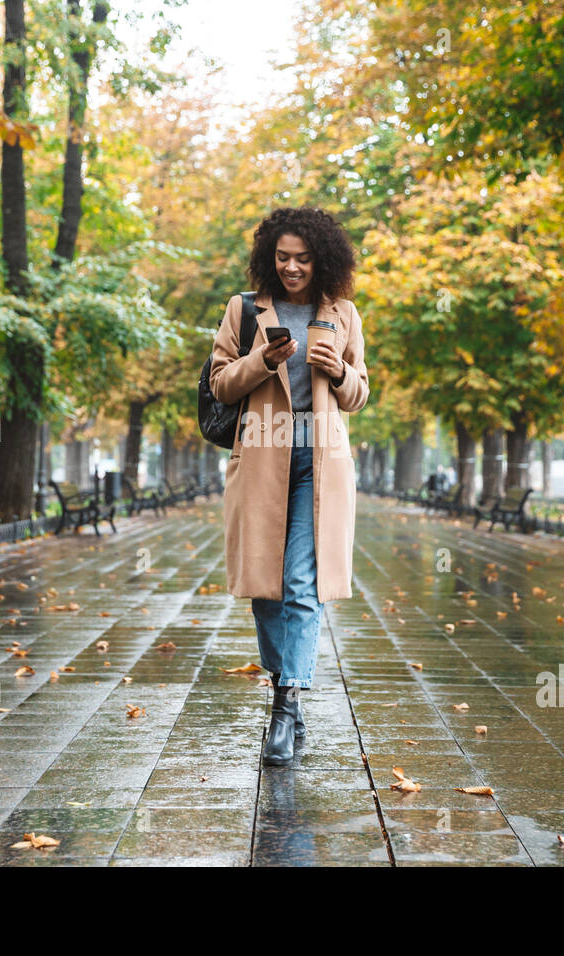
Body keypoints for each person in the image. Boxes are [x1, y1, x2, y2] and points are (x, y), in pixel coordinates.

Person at [208, 207, 370, 766]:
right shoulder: (244, 310)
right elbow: (221, 384)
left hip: (321, 461)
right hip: (261, 457)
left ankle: (286, 703)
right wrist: (260, 360)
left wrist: (341, 371)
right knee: (265, 588)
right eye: (283, 258)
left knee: (302, 583)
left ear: (321, 259)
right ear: (268, 258)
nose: (292, 267)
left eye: (302, 258)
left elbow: (359, 394)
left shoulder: (342, 312)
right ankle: (289, 692)